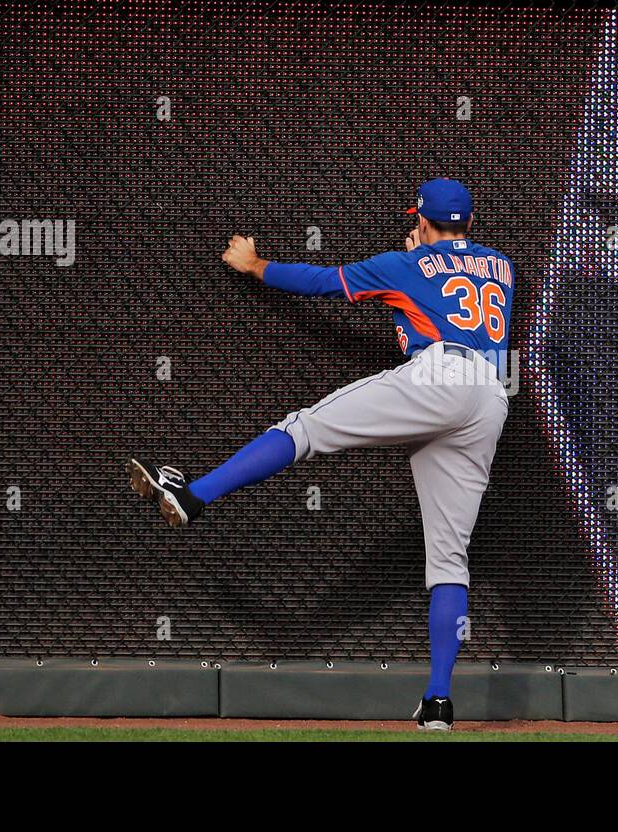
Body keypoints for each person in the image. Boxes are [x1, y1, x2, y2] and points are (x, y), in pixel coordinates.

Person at [126, 178, 515, 731]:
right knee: (449, 559)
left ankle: (192, 494)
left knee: (305, 429)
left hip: (439, 377)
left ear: (423, 222)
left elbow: (321, 282)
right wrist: (424, 260)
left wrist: (256, 264)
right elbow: (451, 291)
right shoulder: (502, 266)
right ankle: (438, 704)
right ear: (470, 224)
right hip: (491, 399)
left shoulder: (405, 264)